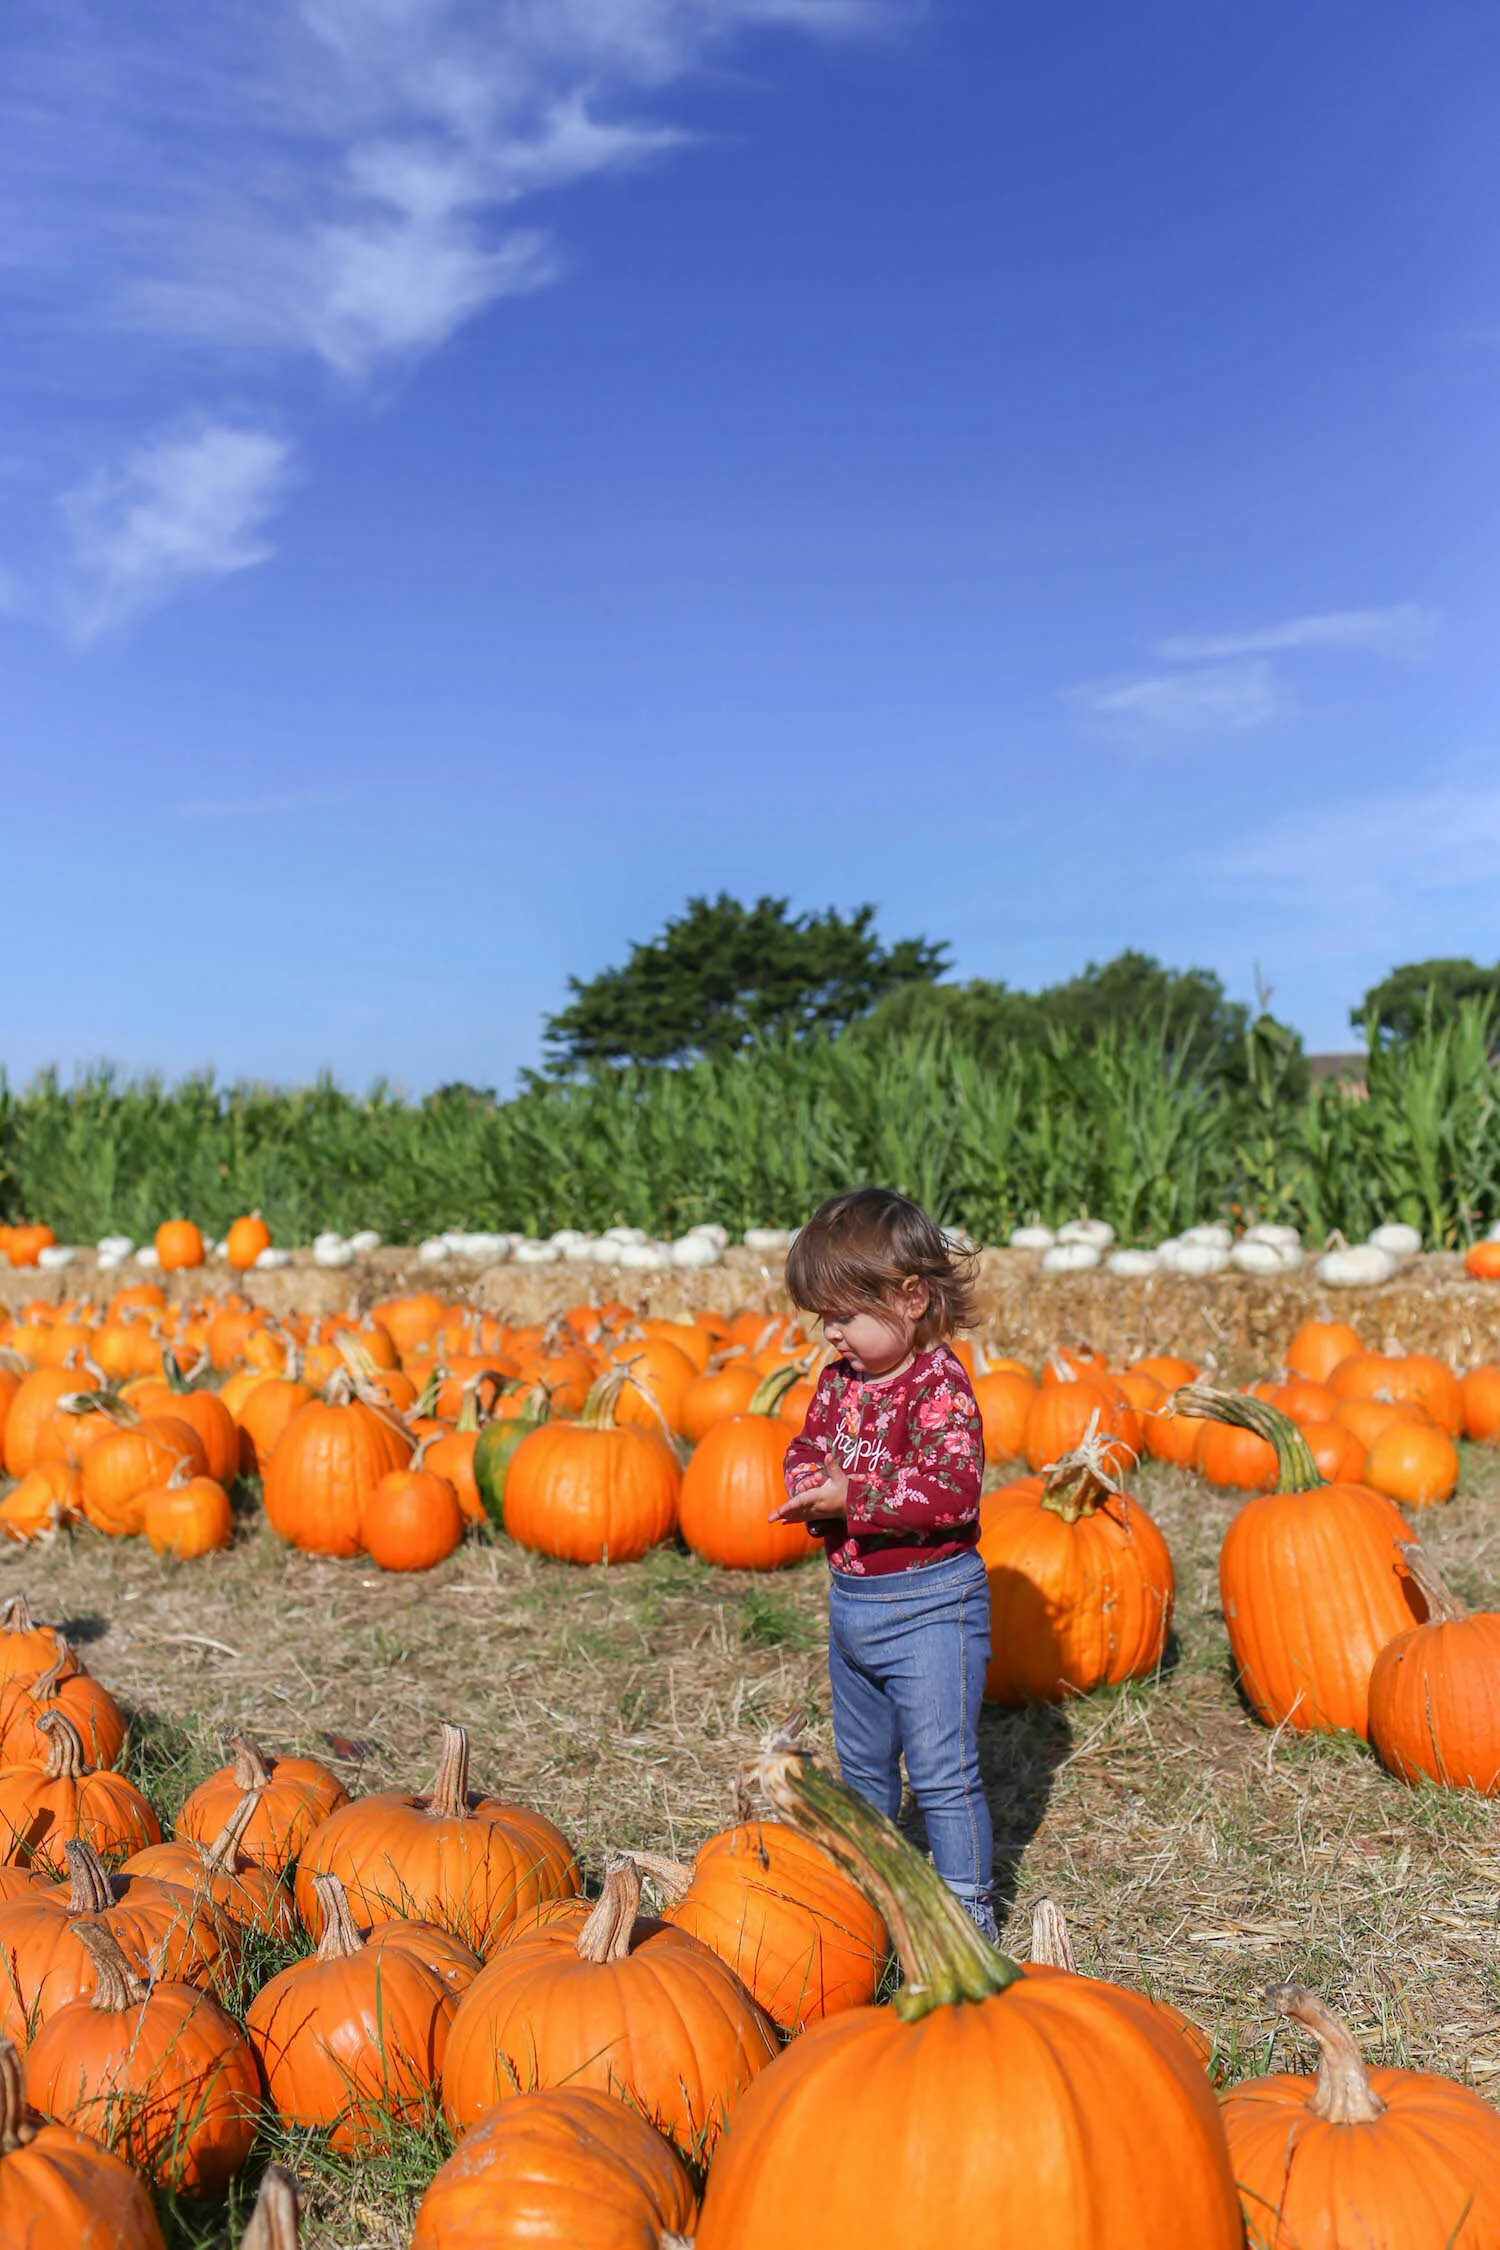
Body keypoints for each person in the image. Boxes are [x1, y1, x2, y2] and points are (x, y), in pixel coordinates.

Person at [772, 1187, 995, 1937]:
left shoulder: (939, 1387)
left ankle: (966, 1906)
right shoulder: (839, 1384)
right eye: (823, 1318)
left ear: (909, 1297)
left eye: (843, 1316)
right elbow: (808, 1445)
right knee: (862, 1767)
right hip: (854, 1608)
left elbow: (952, 1489)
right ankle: (868, 1890)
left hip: (932, 1607)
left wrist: (851, 1495)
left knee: (941, 1772)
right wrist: (806, 1479)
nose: (831, 1334)